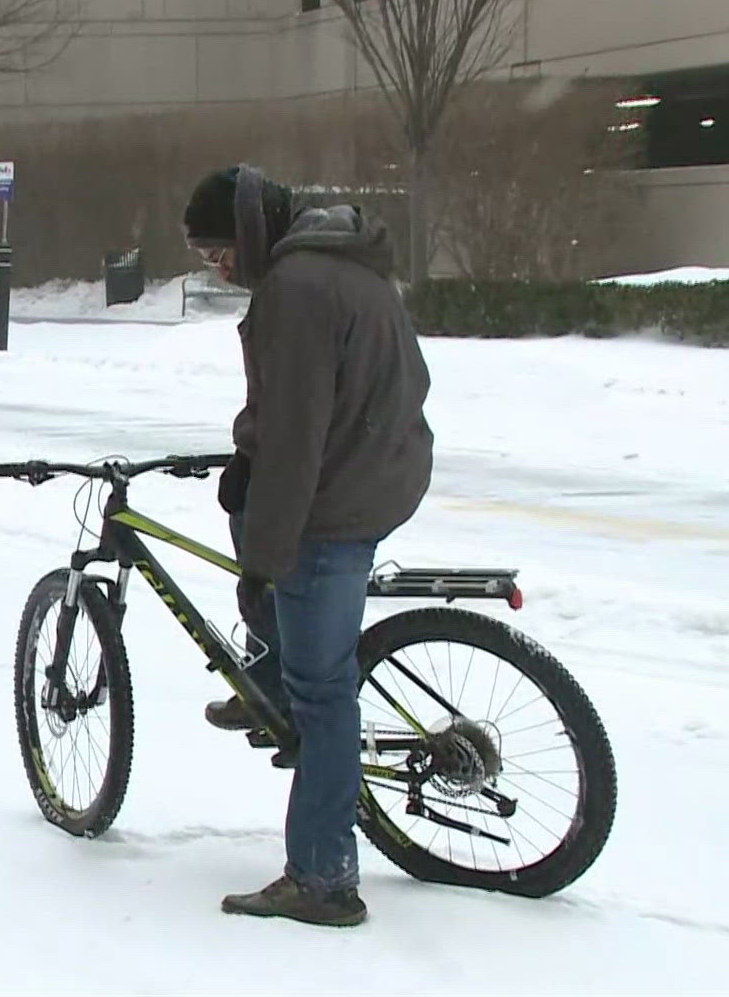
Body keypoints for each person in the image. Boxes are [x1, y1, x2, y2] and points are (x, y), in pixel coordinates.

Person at [182, 164, 434, 927]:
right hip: (383, 468)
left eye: (218, 252)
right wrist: (248, 461)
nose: (219, 269)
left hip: (339, 495)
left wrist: (265, 563)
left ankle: (323, 878)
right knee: (257, 526)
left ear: (250, 231)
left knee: (327, 696)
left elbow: (295, 443)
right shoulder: (341, 261)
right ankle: (274, 677)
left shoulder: (294, 290)